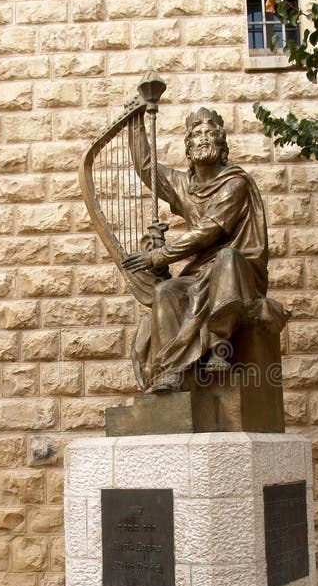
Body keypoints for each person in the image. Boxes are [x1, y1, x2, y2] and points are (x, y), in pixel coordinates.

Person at [123, 106, 289, 393]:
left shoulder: (235, 183)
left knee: (226, 257)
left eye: (210, 133)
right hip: (201, 275)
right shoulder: (183, 185)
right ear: (188, 146)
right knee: (166, 291)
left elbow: (207, 232)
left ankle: (218, 347)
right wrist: (135, 124)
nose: (203, 138)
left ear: (221, 143)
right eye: (196, 134)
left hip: (239, 273)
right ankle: (170, 372)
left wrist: (158, 256)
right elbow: (147, 168)